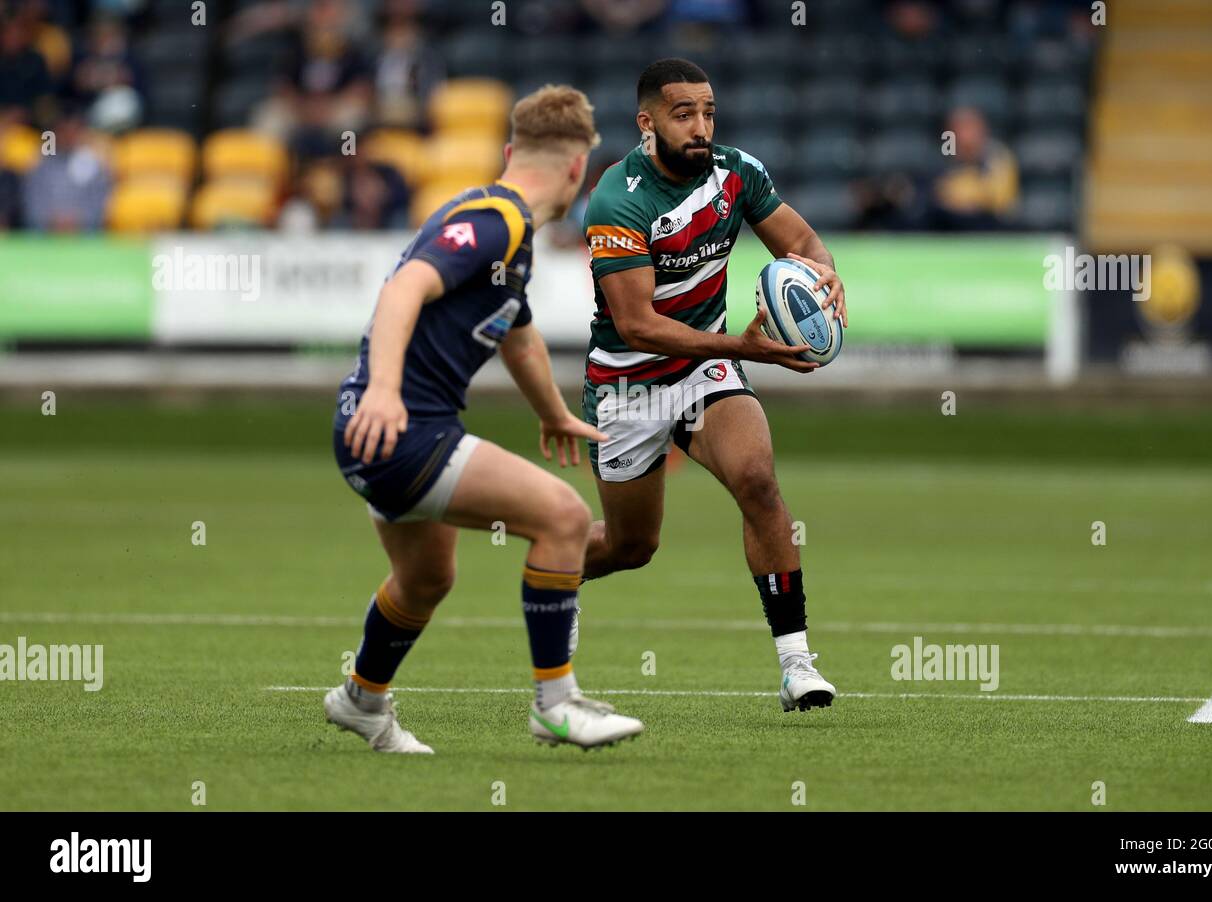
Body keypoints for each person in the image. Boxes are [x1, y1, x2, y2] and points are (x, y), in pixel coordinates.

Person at [325, 85, 644, 753]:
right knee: (561, 517)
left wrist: (553, 413)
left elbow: (517, 334)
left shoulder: (510, 234)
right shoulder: (497, 219)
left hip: (375, 433)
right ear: (577, 168)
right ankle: (556, 704)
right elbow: (404, 286)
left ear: (509, 152)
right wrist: (386, 388)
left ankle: (362, 699)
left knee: (426, 579)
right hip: (400, 427)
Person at [576, 58, 847, 712]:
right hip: (627, 386)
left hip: (705, 368)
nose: (701, 126)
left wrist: (824, 274)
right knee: (630, 546)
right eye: (683, 113)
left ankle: (796, 665)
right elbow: (638, 326)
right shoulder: (618, 199)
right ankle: (556, 569)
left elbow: (802, 240)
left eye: (708, 112)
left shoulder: (736, 173)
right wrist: (748, 346)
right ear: (647, 123)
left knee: (757, 480)